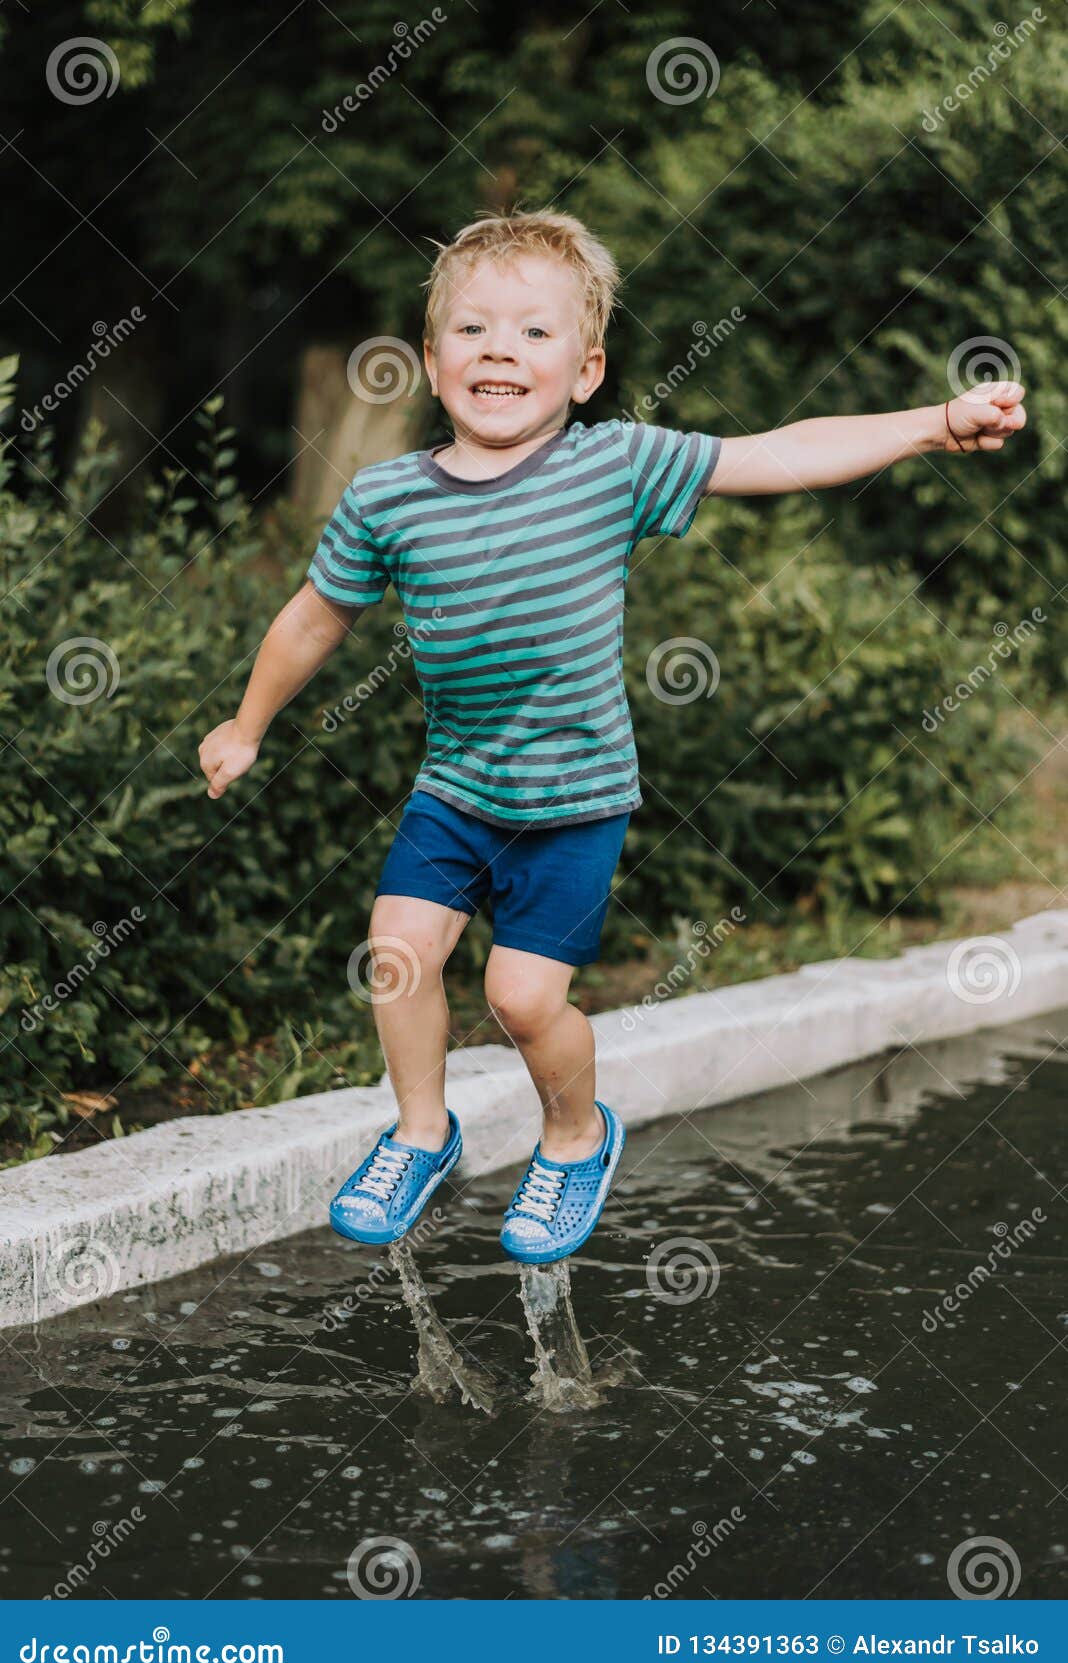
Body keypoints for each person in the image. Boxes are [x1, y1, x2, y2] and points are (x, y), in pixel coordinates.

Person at [198, 208, 1027, 1266]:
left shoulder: (612, 465)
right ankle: (419, 1130)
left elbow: (775, 453)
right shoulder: (388, 498)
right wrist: (247, 721)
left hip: (576, 801)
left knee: (522, 1001)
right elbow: (316, 615)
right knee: (398, 961)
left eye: (535, 333)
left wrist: (930, 423)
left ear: (586, 371)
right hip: (456, 789)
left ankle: (574, 1136)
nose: (501, 347)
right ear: (430, 360)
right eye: (475, 329)